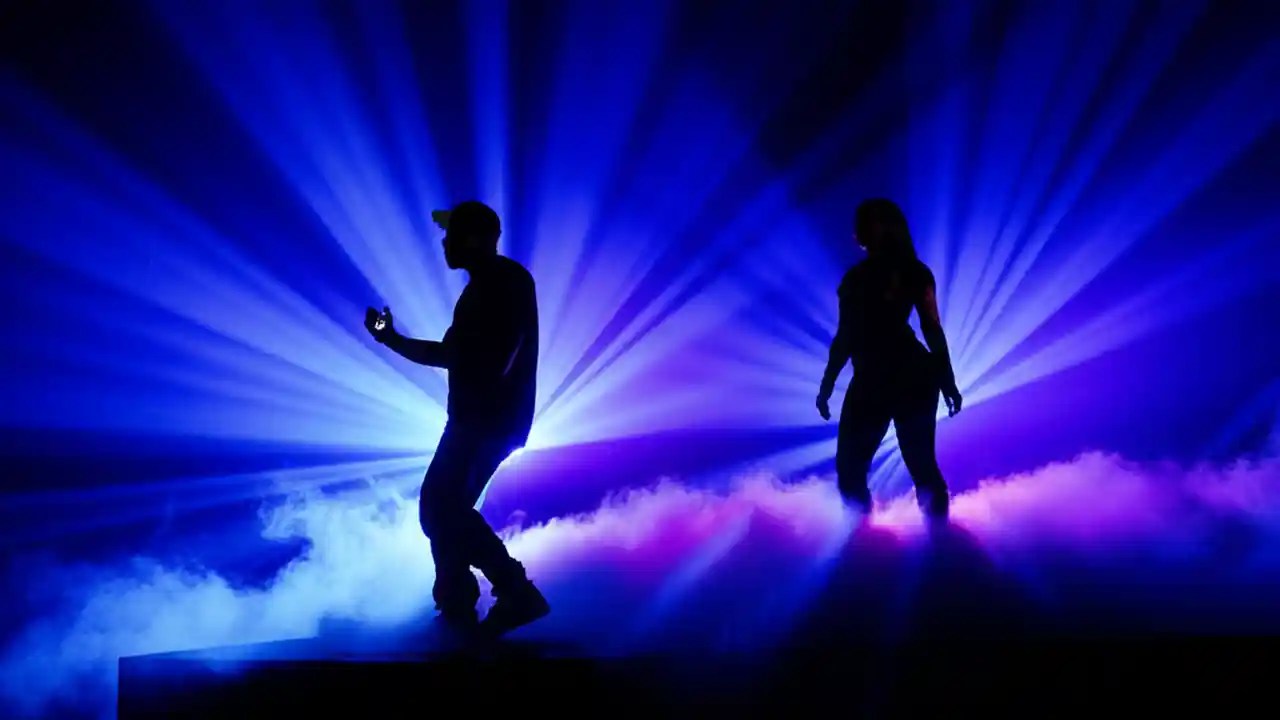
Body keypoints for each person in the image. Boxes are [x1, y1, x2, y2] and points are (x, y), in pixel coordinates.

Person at [364, 200, 549, 636]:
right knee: (442, 508)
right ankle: (458, 603)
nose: (445, 242)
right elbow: (456, 355)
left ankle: (507, 591)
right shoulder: (491, 285)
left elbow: (475, 355)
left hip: (485, 420)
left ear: (476, 237)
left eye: (453, 234)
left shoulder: (501, 283)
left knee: (440, 507)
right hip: (483, 419)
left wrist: (391, 341)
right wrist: (391, 339)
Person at [816, 198, 963, 521]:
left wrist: (828, 384)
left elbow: (929, 328)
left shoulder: (864, 279)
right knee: (908, 466)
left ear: (881, 227)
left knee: (894, 466)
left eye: (863, 223)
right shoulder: (887, 275)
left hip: (893, 377)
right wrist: (946, 381)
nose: (856, 232)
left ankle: (932, 545)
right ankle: (874, 542)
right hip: (897, 376)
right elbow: (931, 329)